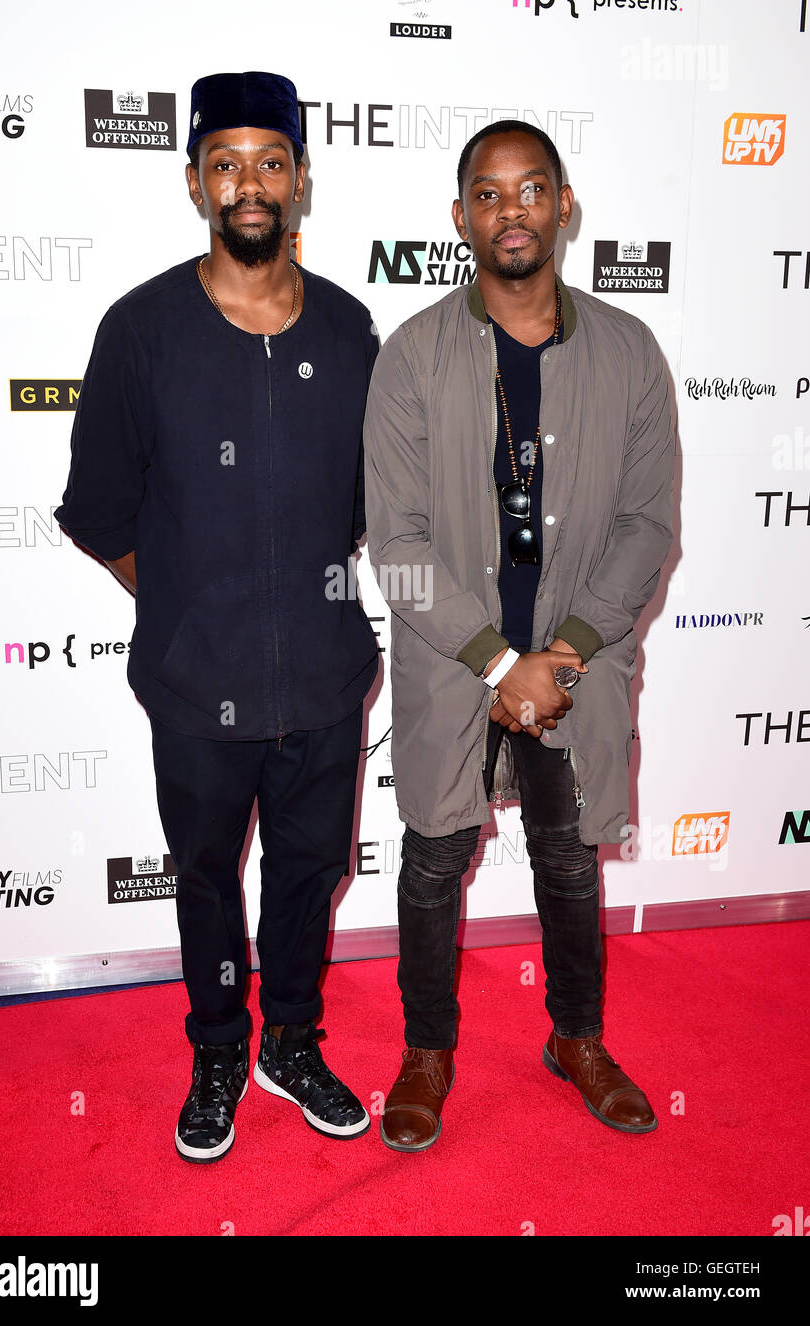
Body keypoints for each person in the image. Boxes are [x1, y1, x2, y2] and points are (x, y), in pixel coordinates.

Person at [55, 71, 380, 1162]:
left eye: (270, 162)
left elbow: (372, 508)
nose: (249, 184)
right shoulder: (141, 330)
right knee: (206, 878)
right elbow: (99, 510)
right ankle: (216, 1048)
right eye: (226, 163)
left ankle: (290, 1039)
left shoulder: (347, 328)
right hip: (196, 682)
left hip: (328, 680)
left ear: (300, 182)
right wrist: (191, 599)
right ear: (193, 180)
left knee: (304, 873)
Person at [364, 120, 675, 1151]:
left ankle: (575, 1037)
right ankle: (425, 1048)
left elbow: (645, 526)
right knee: (432, 856)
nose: (510, 211)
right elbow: (397, 544)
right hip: (456, 664)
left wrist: (563, 652)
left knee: (569, 857)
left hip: (575, 662)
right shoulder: (410, 356)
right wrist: (500, 663)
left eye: (529, 189)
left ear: (563, 205)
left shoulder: (628, 352)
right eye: (487, 194)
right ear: (459, 217)